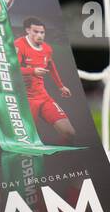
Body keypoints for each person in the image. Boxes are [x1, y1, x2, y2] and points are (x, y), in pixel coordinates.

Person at [13, 16, 75, 145]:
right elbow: (13, 69)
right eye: (36, 32)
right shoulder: (19, 44)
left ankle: (56, 156)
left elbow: (51, 66)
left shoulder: (47, 49)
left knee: (69, 133)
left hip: (43, 97)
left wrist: (61, 86)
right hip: (26, 99)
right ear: (27, 30)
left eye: (42, 32)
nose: (40, 35)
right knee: (27, 139)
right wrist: (33, 71)